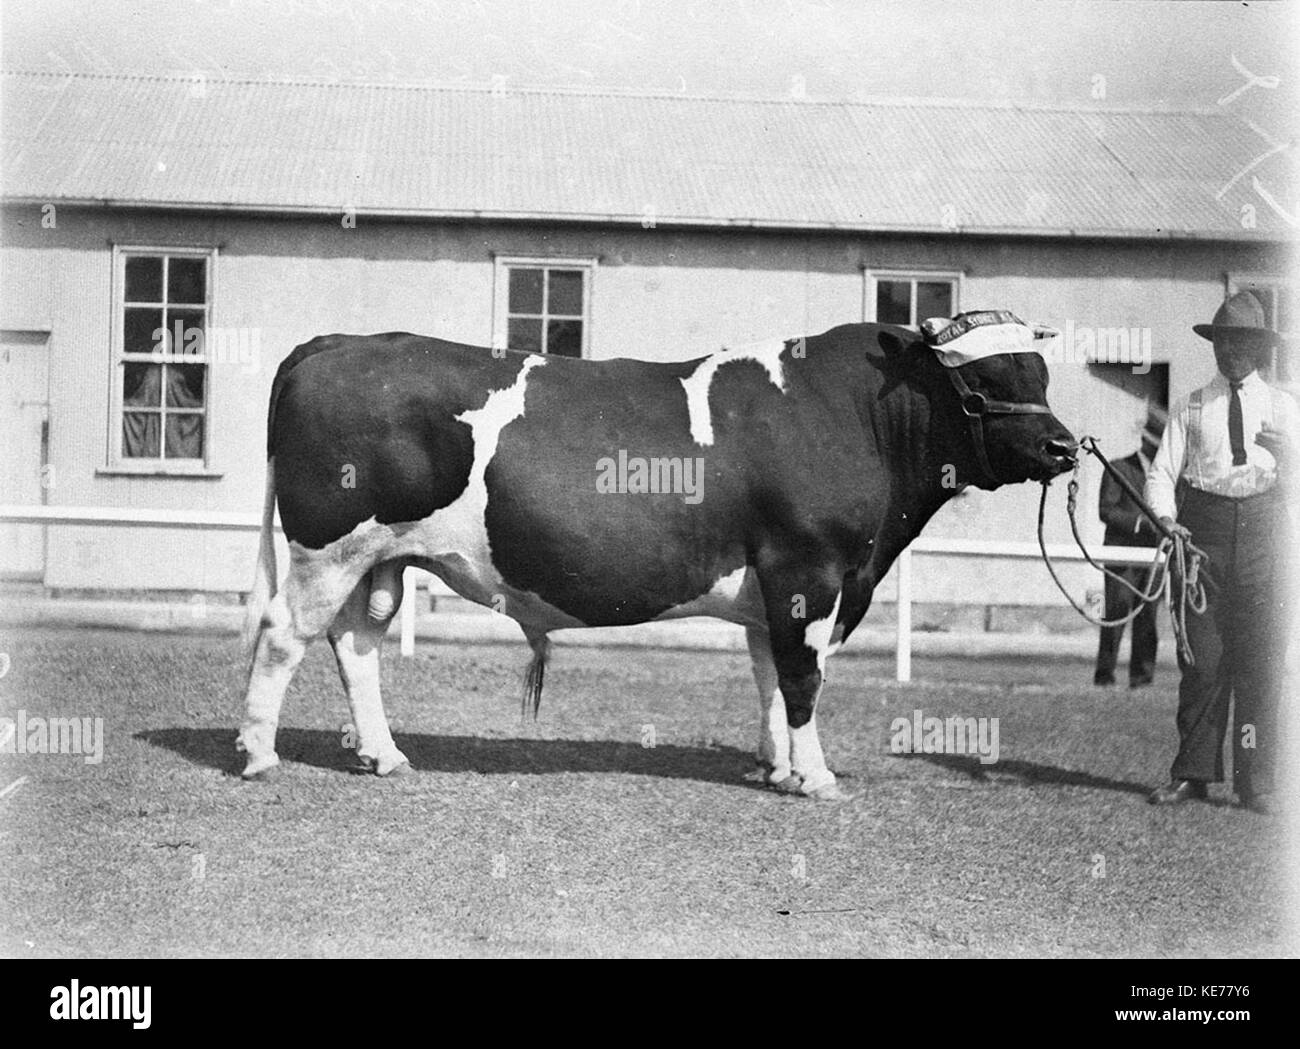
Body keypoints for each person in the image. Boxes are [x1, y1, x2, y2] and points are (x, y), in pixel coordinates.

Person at [1145, 291, 1297, 813]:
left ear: (1259, 349)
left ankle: (1257, 783)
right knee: (1202, 664)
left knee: (1259, 663)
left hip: (1265, 535)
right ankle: (1192, 774)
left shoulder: (1285, 407)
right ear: (1215, 345)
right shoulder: (1190, 406)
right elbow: (1161, 474)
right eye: (1225, 341)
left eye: (1244, 342)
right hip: (1201, 537)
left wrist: (1291, 462)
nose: (1233, 351)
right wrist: (1166, 520)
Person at [1094, 406, 1166, 688]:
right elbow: (1106, 510)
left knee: (1148, 618)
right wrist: (1141, 524)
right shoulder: (1118, 468)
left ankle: (1142, 680)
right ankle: (1104, 677)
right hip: (1122, 556)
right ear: (1146, 441)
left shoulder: (1169, 477)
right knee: (1116, 612)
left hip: (1154, 558)